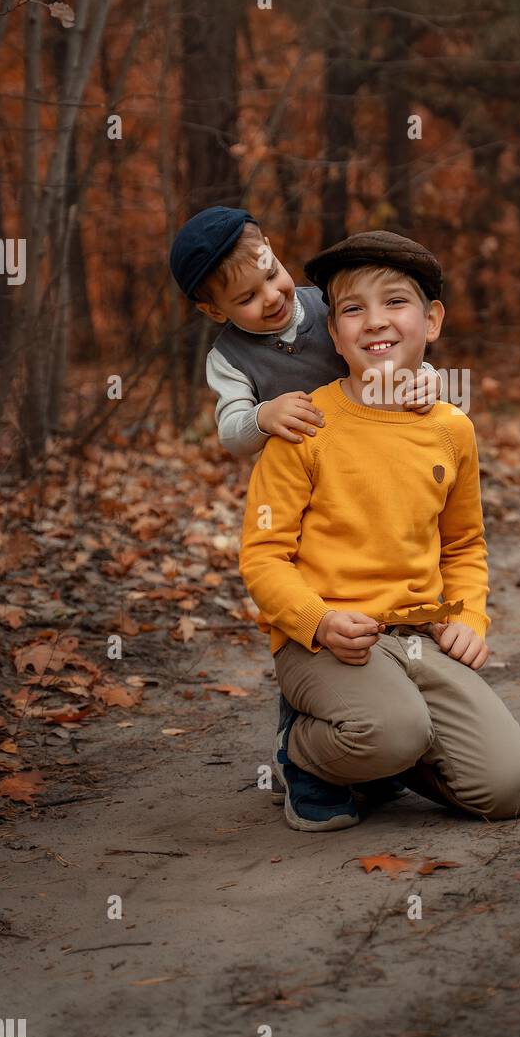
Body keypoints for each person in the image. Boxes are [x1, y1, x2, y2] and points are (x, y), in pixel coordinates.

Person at [239, 230, 520, 832]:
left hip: (422, 635)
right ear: (333, 332)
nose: (375, 322)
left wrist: (470, 618)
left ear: (432, 321)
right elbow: (263, 557)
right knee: (391, 729)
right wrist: (316, 620)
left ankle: (382, 759)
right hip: (326, 642)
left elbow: (463, 544)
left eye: (395, 302)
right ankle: (302, 756)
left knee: (506, 789)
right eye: (352, 308)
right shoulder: (306, 426)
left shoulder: (453, 429)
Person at [169, 208, 441, 829]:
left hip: (370, 480)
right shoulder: (231, 358)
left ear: (276, 252)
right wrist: (262, 417)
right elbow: (231, 430)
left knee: (371, 595)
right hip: (302, 493)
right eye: (245, 297)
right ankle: (304, 757)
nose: (270, 297)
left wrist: (425, 377)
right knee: (312, 613)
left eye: (271, 274)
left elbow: (393, 346)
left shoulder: (332, 304)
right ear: (215, 312)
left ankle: (372, 742)